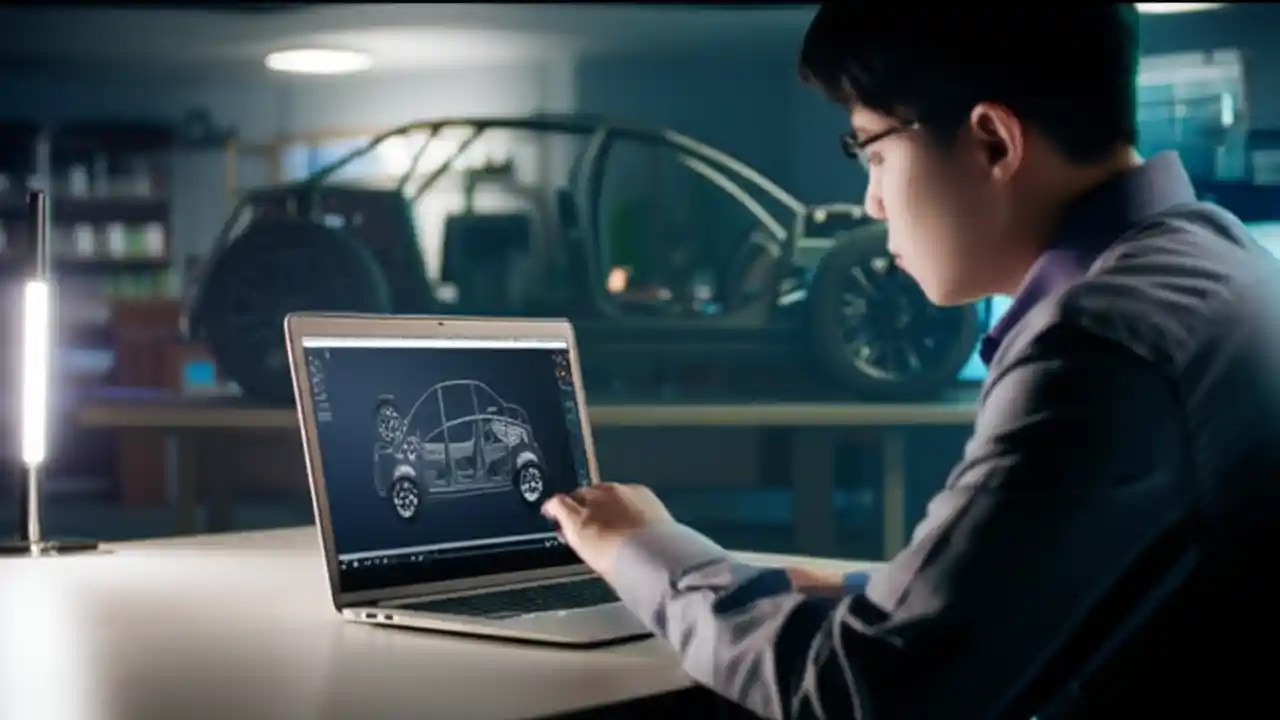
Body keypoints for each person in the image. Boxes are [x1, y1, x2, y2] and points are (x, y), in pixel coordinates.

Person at [541, 4, 1280, 718]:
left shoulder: (1100, 346)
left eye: (875, 152)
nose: (871, 203)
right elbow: (1030, 589)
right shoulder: (1218, 264)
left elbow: (868, 691)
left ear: (992, 141)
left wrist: (644, 550)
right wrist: (859, 591)